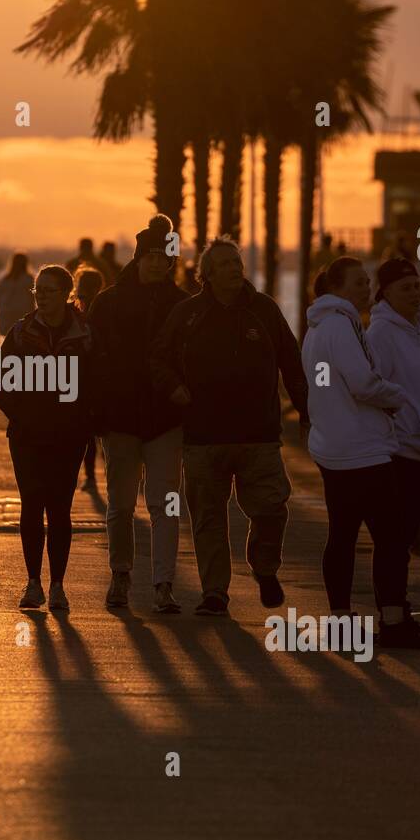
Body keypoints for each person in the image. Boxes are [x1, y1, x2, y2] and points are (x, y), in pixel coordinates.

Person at [152, 236, 308, 617]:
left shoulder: (263, 309)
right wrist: (174, 388)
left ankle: (264, 567)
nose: (234, 269)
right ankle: (215, 593)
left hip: (259, 436)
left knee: (272, 509)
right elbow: (157, 359)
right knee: (208, 520)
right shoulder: (188, 314)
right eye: (224, 264)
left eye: (237, 262)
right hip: (204, 437)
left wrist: (307, 413)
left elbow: (291, 360)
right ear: (206, 274)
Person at [302, 257, 420, 649]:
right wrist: (396, 397)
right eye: (360, 282)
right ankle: (393, 621)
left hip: (334, 447)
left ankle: (342, 622)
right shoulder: (341, 326)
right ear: (339, 288)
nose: (367, 289)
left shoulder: (317, 328)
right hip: (362, 450)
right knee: (391, 538)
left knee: (342, 536)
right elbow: (362, 383)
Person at [89, 215, 187, 612]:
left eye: (163, 257)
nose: (156, 263)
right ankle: (121, 575)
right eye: (149, 256)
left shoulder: (182, 304)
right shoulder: (108, 302)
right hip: (120, 418)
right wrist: (95, 413)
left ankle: (163, 584)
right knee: (122, 504)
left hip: (165, 419)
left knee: (166, 504)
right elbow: (91, 360)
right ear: (138, 258)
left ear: (170, 262)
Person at [0, 265, 94, 611]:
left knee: (60, 508)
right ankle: (33, 582)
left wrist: (83, 419)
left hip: (69, 435)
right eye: (39, 291)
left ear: (66, 293)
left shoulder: (84, 334)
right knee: (32, 503)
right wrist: (24, 416)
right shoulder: (21, 333)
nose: (43, 297)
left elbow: (98, 383)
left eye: (50, 291)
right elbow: (2, 383)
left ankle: (58, 586)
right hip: (28, 435)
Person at [367, 257, 420, 630]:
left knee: (407, 536)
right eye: (405, 287)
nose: (414, 293)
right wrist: (406, 424)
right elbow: (375, 388)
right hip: (401, 450)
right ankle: (392, 615)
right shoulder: (380, 333)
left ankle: (399, 609)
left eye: (416, 286)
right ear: (385, 292)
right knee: (394, 538)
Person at [73, 265, 104, 490]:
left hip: (83, 377)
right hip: (96, 377)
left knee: (87, 433)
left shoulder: (76, 310)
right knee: (96, 433)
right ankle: (93, 475)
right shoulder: (107, 305)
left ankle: (90, 475)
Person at [0, 253, 35, 335]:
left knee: (5, 342)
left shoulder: (5, 279)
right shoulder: (29, 279)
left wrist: (2, 308)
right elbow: (34, 297)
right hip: (23, 314)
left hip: (6, 314)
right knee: (22, 341)